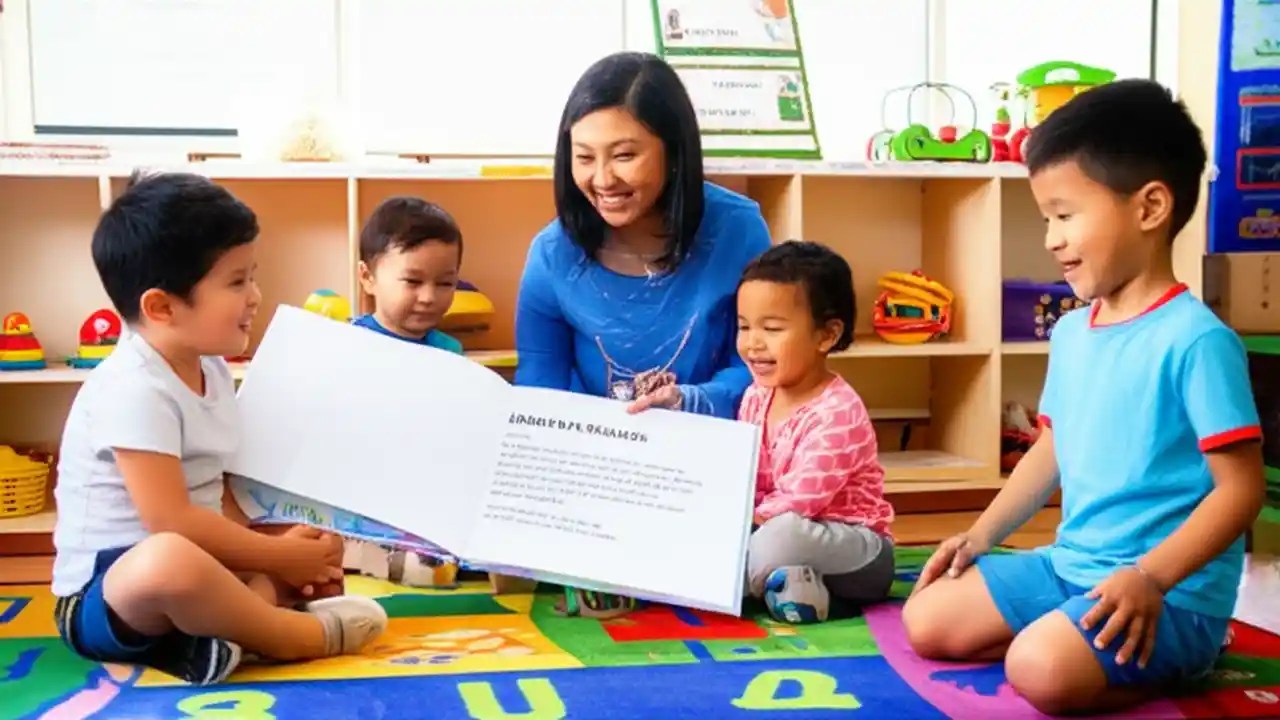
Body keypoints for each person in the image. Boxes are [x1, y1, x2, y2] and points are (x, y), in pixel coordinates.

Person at [901, 79, 1265, 716]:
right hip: (1070, 564)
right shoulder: (1073, 331)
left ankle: (1181, 658)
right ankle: (1073, 633)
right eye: (1046, 218)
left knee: (1037, 667)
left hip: (1167, 591)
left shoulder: (1199, 342)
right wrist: (981, 535)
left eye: (1065, 215)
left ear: (1150, 207)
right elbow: (1052, 448)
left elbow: (1240, 491)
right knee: (927, 619)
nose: (1050, 238)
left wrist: (1150, 577)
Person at [51, 172, 388, 686]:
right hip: (105, 600)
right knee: (171, 560)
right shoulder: (134, 388)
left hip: (193, 571)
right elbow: (172, 521)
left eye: (252, 275)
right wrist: (277, 556)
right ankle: (290, 637)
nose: (256, 295)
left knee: (264, 559)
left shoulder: (210, 369)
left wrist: (283, 549)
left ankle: (218, 640)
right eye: (236, 282)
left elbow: (216, 490)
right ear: (161, 307)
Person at [514, 51, 772, 617]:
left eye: (625, 155)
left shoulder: (738, 228)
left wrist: (690, 402)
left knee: (759, 552)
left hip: (707, 459)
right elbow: (538, 390)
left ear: (675, 153)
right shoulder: (552, 254)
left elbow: (761, 368)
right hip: (592, 470)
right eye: (584, 158)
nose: (602, 180)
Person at [736, 241, 895, 624]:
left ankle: (713, 579)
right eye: (743, 326)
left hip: (859, 554)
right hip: (774, 530)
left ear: (826, 335)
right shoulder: (757, 396)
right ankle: (795, 590)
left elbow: (798, 503)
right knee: (760, 538)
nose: (753, 342)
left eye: (772, 328)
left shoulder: (839, 411)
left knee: (781, 536)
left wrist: (734, 532)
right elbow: (743, 476)